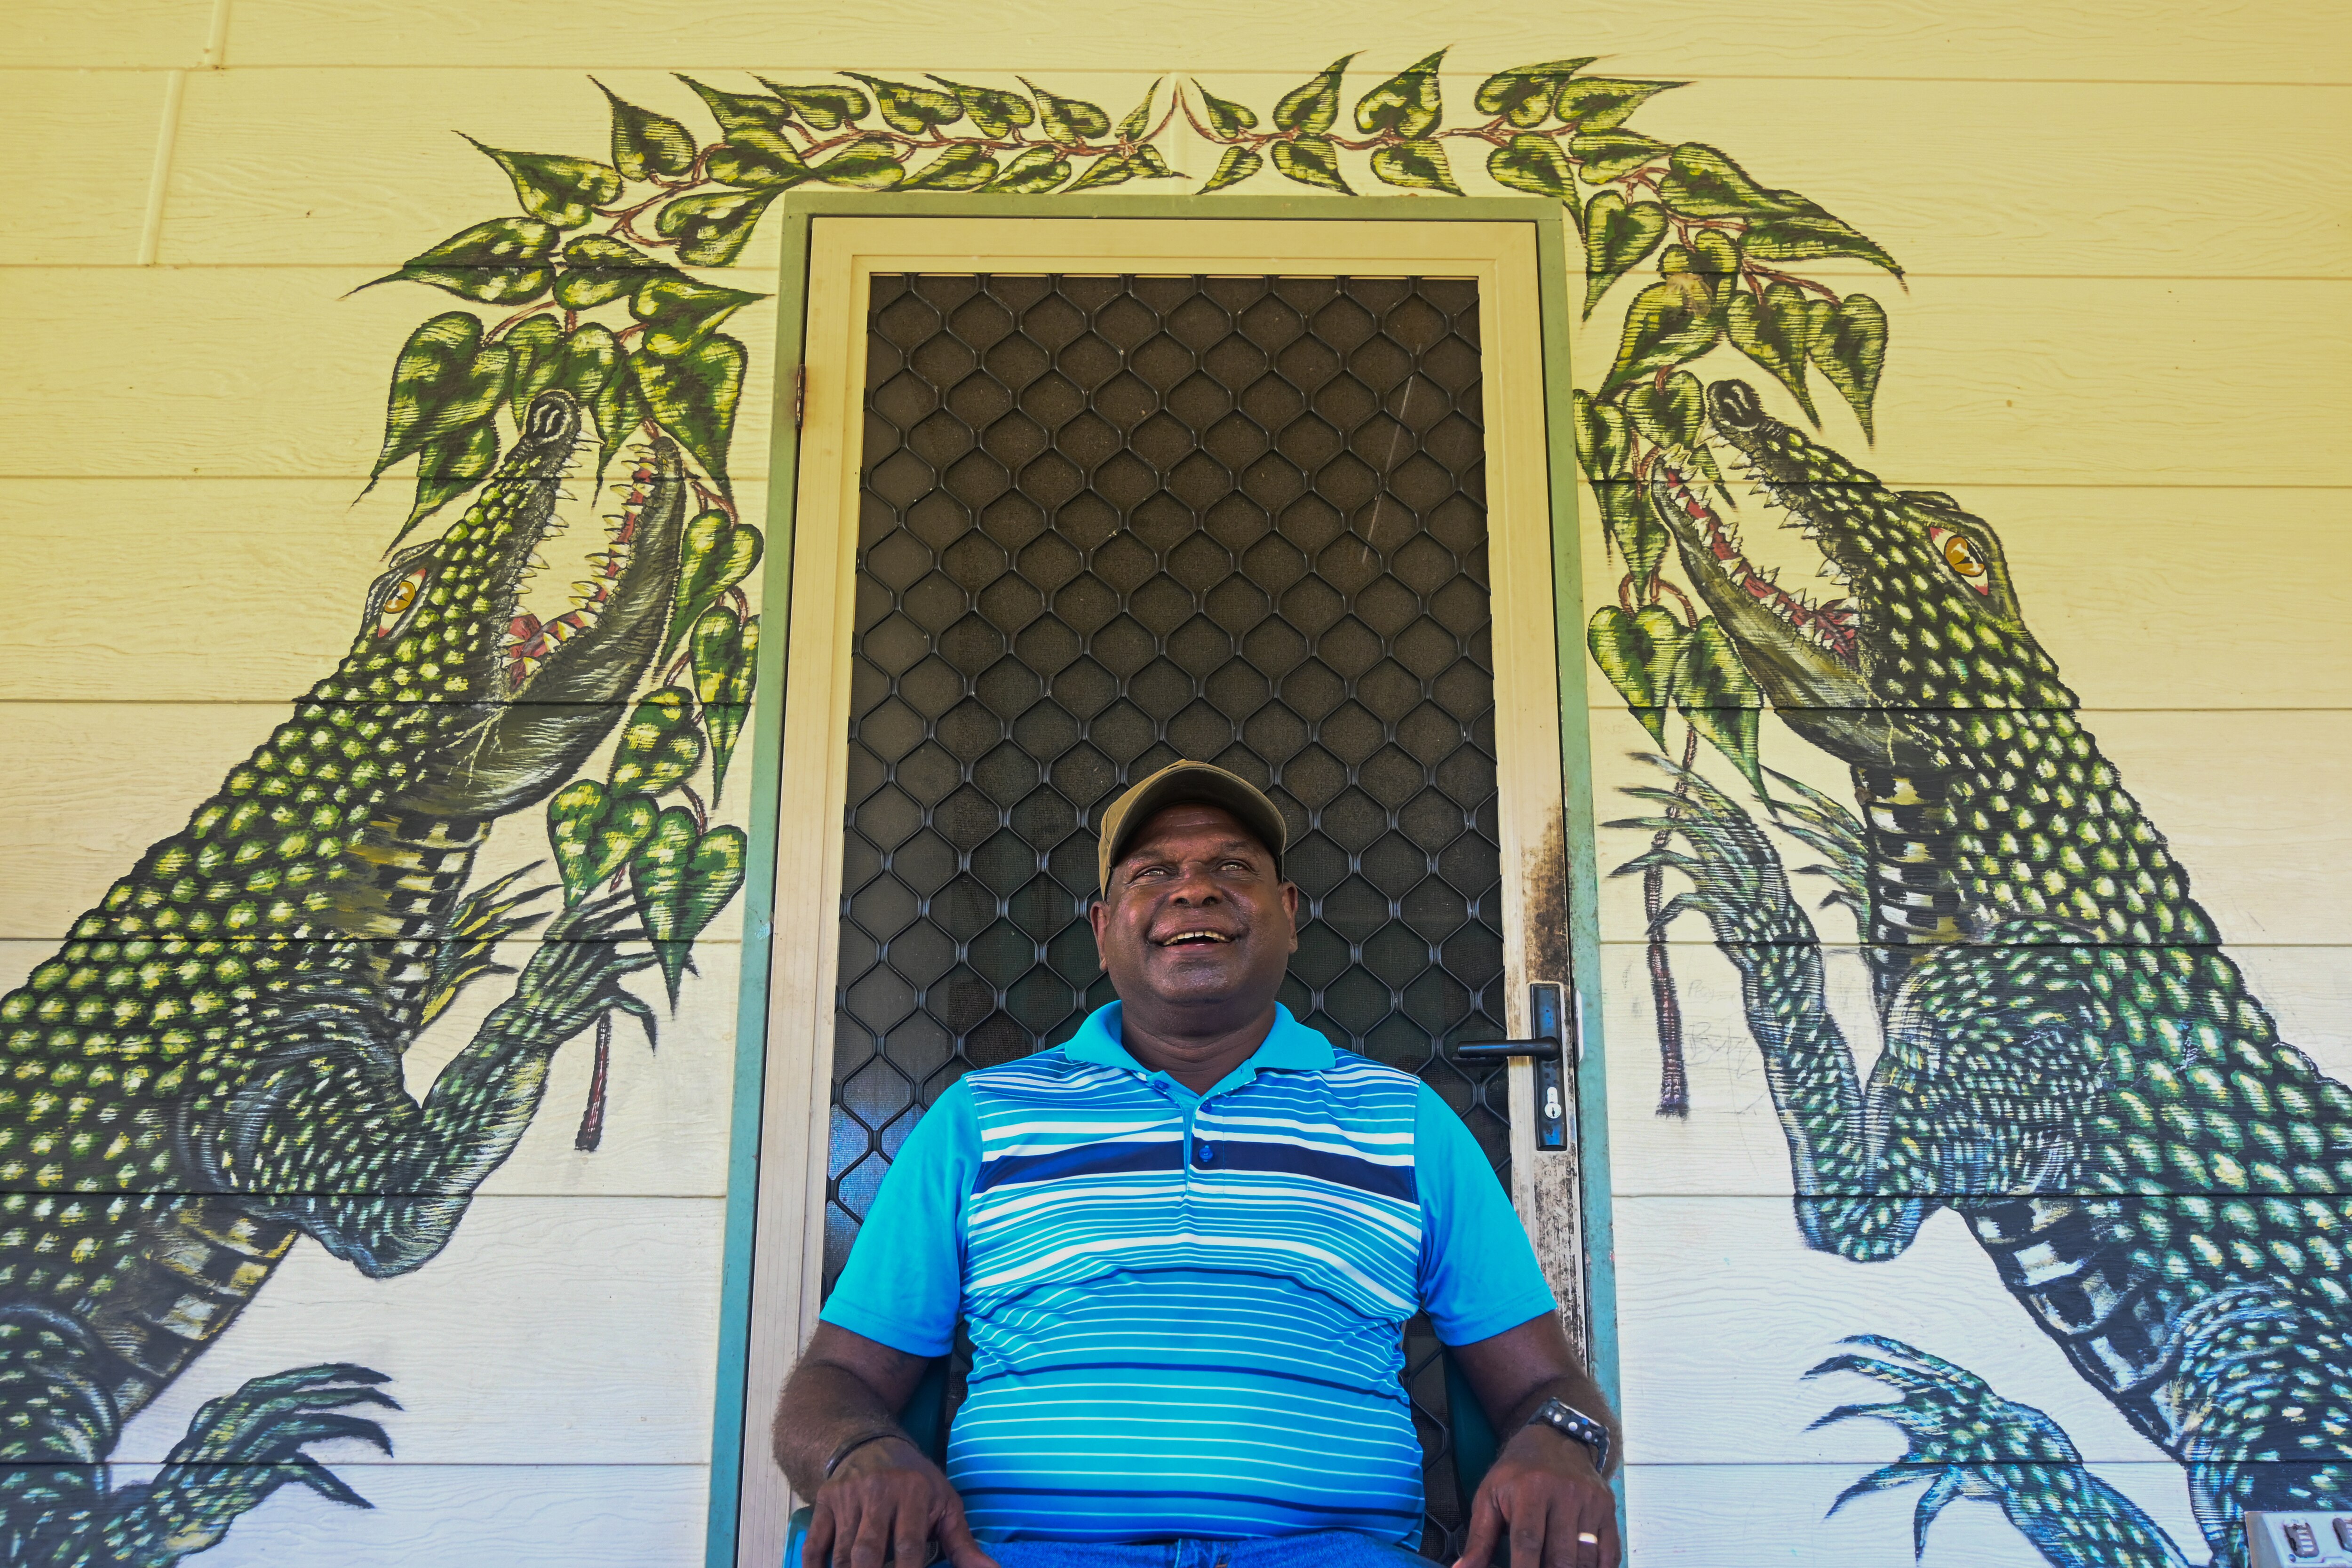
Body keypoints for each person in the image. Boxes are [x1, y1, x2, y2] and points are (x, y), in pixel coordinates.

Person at [773, 762, 1622, 1568]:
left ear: (1288, 913)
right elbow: (836, 1380)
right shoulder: (981, 1118)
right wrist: (860, 1450)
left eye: (1231, 865)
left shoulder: (1405, 1121)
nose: (1194, 888)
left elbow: (1549, 1384)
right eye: (1151, 872)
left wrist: (1562, 1444)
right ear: (1104, 930)